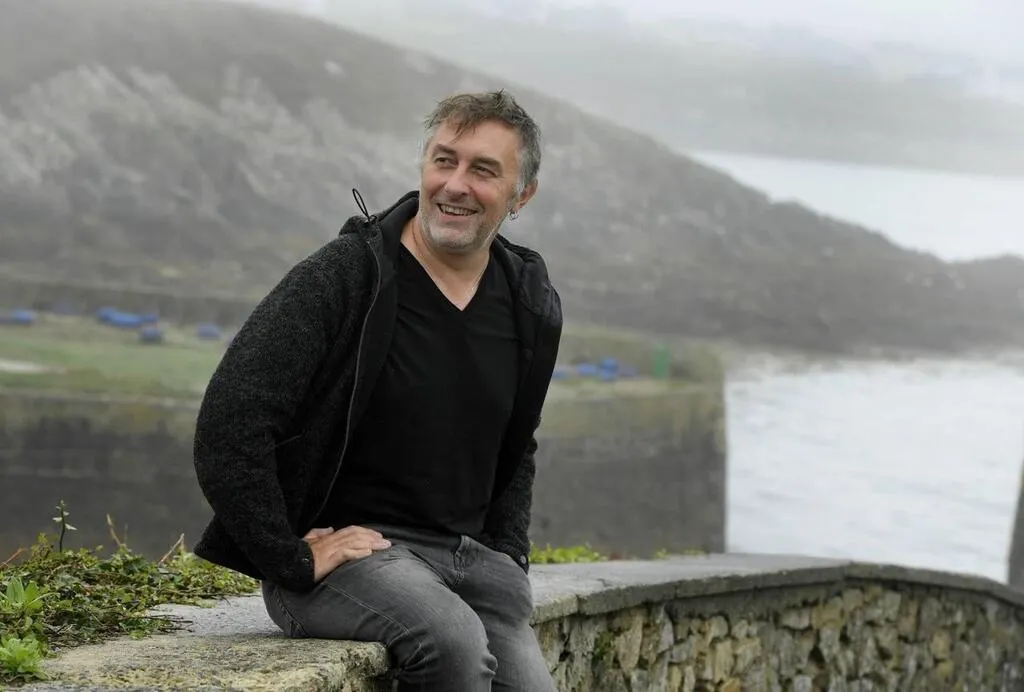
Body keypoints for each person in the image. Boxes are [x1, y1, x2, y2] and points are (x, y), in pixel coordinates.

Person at [191, 90, 562, 691]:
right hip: (354, 562)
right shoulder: (344, 276)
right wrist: (287, 557)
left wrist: (509, 555)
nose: (456, 184)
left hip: (471, 563)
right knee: (454, 645)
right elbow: (230, 422)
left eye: (484, 170)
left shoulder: (527, 301)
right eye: (444, 160)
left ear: (523, 195)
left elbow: (516, 441)